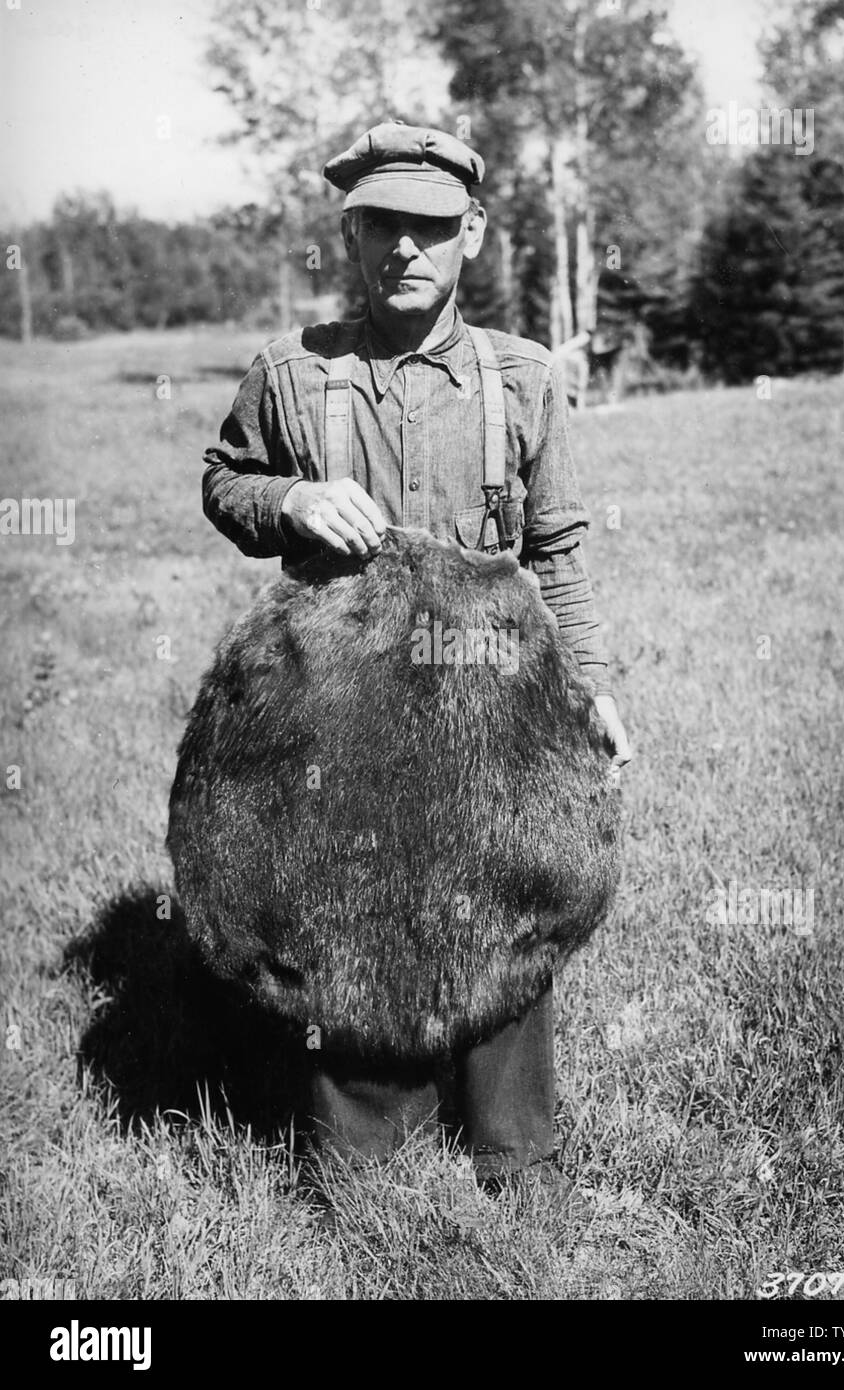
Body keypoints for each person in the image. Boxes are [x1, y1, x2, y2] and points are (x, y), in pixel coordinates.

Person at [201, 120, 632, 1196]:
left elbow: (559, 551)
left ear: (471, 235)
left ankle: (510, 1146)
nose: (404, 247)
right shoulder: (292, 372)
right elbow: (223, 483)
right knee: (352, 900)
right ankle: (368, 1142)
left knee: (508, 883)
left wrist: (584, 694)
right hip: (340, 696)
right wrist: (290, 498)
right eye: (379, 224)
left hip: (495, 689)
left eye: (429, 228)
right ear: (350, 235)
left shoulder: (523, 378)